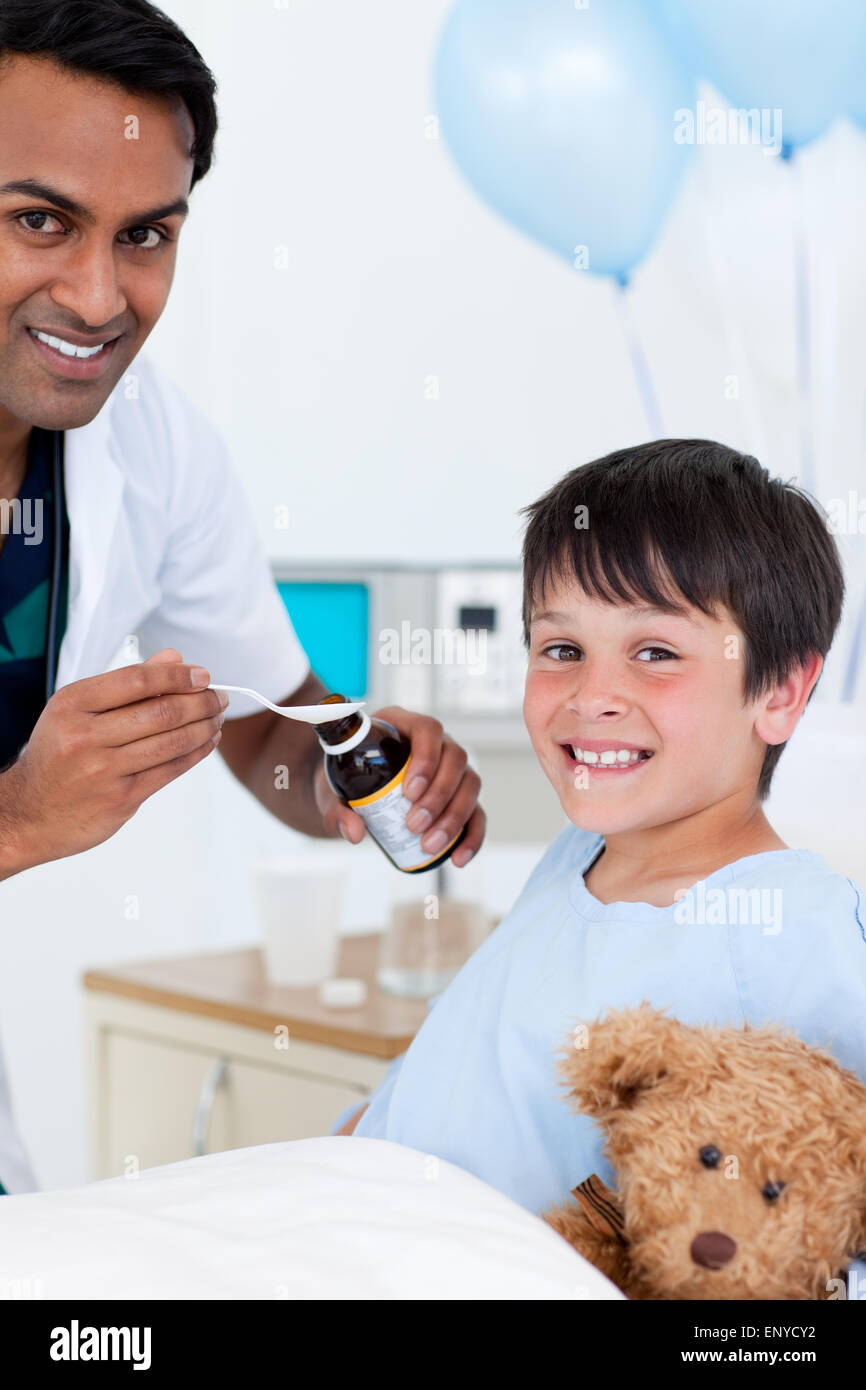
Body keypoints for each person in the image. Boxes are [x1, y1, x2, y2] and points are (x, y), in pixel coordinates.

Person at [0, 0, 484, 1193]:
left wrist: (355, 772)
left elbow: (270, 725)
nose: (100, 298)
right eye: (39, 221)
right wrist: (17, 818)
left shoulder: (152, 448)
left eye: (147, 235)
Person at [337, 440, 866, 1288]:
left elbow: (828, 1231)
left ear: (781, 691)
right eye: (560, 649)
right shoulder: (577, 861)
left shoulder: (792, 929)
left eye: (655, 652)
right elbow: (468, 1079)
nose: (592, 695)